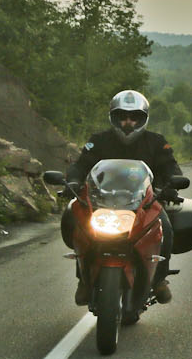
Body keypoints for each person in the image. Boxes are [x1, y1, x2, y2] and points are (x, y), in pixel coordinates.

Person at [61, 89, 185, 306]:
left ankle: (159, 280)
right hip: (102, 201)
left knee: (165, 226)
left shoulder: (156, 142)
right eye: (123, 117)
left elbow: (170, 166)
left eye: (135, 117)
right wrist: (72, 181)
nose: (129, 122)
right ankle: (83, 279)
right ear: (113, 117)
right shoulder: (98, 141)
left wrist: (173, 184)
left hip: (146, 202)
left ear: (143, 118)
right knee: (76, 220)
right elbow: (81, 165)